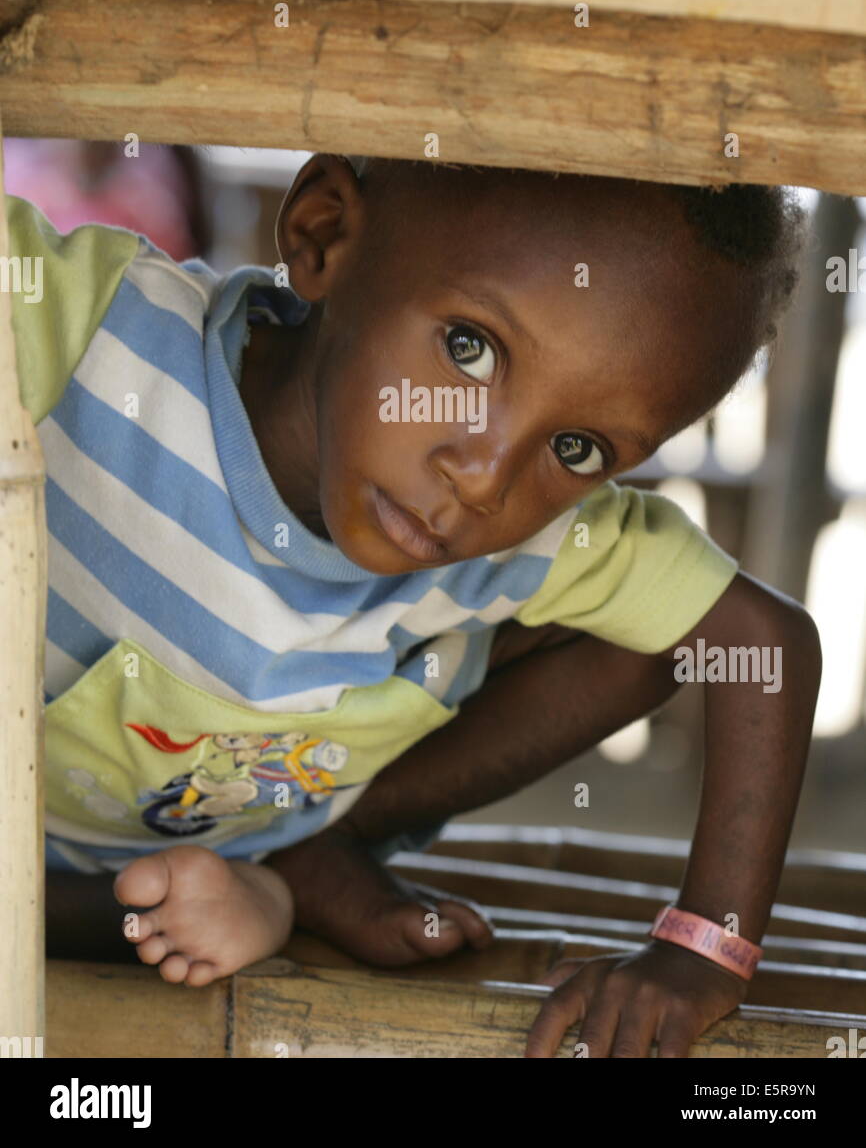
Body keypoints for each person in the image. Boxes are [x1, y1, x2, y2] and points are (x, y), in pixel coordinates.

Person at [7, 153, 821, 1058]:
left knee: (654, 638)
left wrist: (705, 951)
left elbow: (763, 642)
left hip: (236, 832)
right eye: (469, 350)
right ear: (322, 236)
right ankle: (258, 897)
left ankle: (310, 852)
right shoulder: (90, 334)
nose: (484, 478)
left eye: (581, 447)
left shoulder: (534, 539)